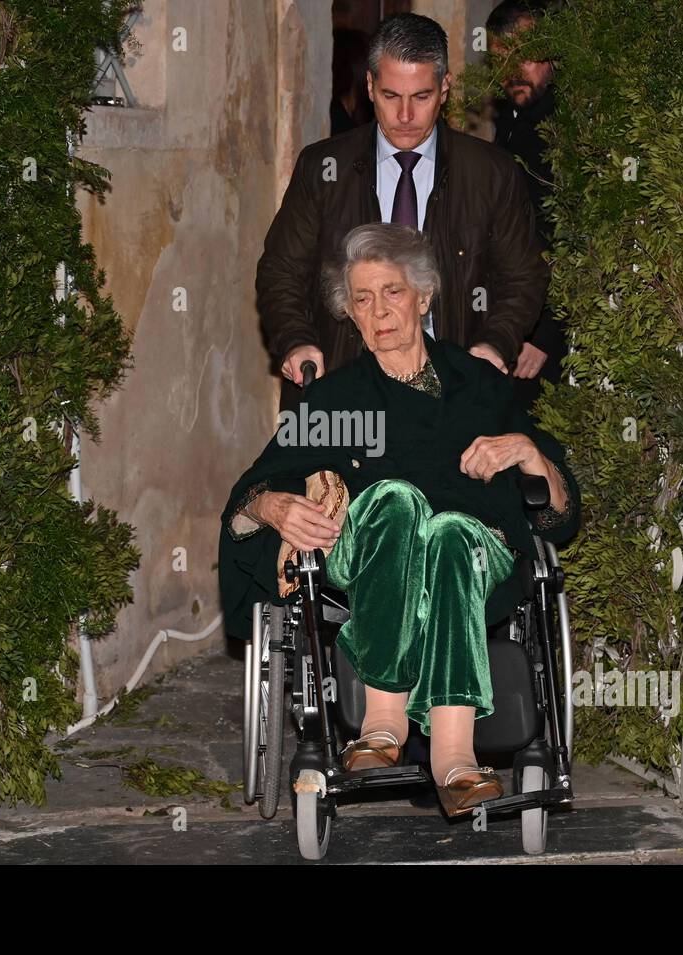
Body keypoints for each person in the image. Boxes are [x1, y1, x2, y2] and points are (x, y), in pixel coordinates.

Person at [221, 223, 580, 817]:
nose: (379, 310)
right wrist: (270, 505)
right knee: (395, 499)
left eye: (392, 292)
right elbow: (252, 491)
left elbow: (560, 514)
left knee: (450, 531)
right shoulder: (334, 401)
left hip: (472, 564)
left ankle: (453, 755)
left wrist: (526, 450)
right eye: (362, 299)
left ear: (424, 296)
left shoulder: (480, 386)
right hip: (368, 560)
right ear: (350, 315)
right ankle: (383, 721)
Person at [257, 12, 549, 413]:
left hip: (453, 397)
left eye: (421, 97)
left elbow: (523, 277)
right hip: (345, 391)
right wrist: (296, 340)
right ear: (370, 86)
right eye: (392, 96)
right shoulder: (322, 168)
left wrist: (493, 345)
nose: (406, 116)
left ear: (444, 89)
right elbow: (281, 270)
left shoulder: (491, 172)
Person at [487, 0, 568, 408]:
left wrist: (544, 335)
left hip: (548, 340)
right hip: (509, 323)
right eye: (503, 61)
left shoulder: (567, 128)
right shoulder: (509, 122)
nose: (514, 73)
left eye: (526, 57)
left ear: (553, 56)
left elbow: (573, 237)